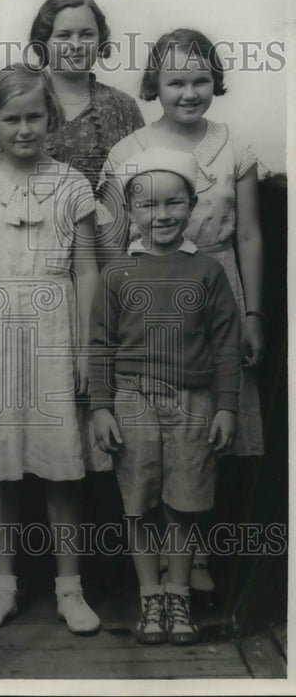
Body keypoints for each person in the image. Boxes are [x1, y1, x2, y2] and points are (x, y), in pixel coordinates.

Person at [101, 29, 265, 597]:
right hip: (151, 296)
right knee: (153, 440)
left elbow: (248, 234)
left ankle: (190, 558)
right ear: (156, 84)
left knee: (205, 432)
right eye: (176, 81)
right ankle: (161, 578)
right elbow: (117, 237)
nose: (189, 92)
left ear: (214, 81)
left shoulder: (234, 145)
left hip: (217, 286)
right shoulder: (130, 151)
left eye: (200, 80)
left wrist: (254, 314)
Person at [0, 64, 101, 634]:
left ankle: (70, 588)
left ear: (51, 118)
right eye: (10, 118)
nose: (24, 128)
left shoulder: (71, 184)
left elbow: (88, 270)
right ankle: (3, 586)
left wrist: (89, 349)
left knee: (62, 467)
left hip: (57, 333)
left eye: (35, 116)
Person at [89, 147, 241, 645]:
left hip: (193, 402)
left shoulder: (207, 273)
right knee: (139, 504)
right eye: (149, 205)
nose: (163, 215)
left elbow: (225, 346)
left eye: (174, 203)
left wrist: (225, 407)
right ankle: (149, 596)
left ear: (193, 204)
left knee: (183, 503)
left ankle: (178, 597)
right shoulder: (118, 273)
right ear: (130, 213)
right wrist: (102, 408)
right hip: (132, 400)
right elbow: (100, 345)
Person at [25, 0, 144, 198]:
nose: (76, 45)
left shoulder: (123, 107)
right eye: (63, 35)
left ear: (100, 40)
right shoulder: (22, 104)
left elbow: (143, 184)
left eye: (87, 34)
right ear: (43, 42)